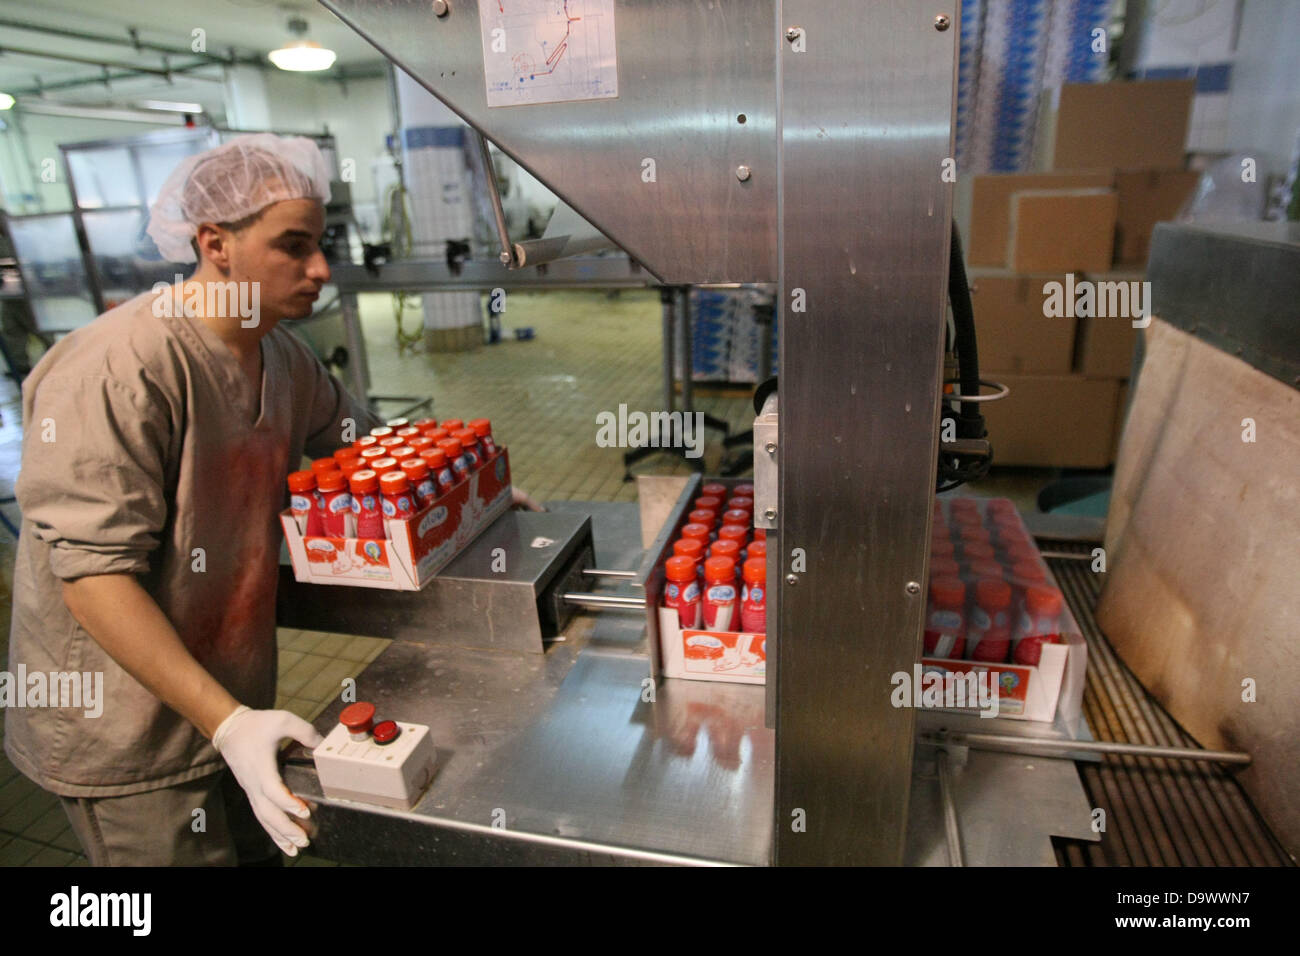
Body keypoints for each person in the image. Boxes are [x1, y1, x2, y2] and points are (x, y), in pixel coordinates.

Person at [9, 134, 382, 865]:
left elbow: (360, 449)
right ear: (215, 243)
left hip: (233, 695)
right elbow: (92, 577)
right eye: (294, 246)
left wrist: (472, 485)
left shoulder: (282, 354)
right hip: (127, 728)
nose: (320, 269)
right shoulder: (118, 369)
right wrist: (229, 723)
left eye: (322, 243)